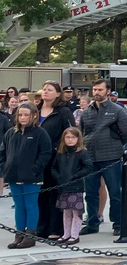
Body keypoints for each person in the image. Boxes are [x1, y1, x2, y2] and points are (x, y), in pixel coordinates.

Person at [79, 78, 127, 235]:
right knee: (90, 193)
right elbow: (82, 132)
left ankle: (118, 223)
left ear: (108, 91)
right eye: (95, 89)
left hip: (111, 157)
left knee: (115, 192)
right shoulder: (87, 112)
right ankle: (92, 223)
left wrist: (116, 143)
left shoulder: (117, 110)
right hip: (90, 157)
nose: (97, 92)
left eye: (100, 90)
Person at [1, 103, 53, 248]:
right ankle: (19, 234)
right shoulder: (11, 132)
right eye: (20, 114)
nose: (23, 117)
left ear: (34, 115)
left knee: (30, 205)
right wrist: (5, 167)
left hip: (32, 176)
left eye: (26, 114)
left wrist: (35, 168)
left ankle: (30, 236)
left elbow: (46, 153)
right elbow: (2, 152)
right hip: (13, 175)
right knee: (19, 206)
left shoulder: (40, 133)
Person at [36, 81, 76, 240]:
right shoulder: (35, 110)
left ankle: (56, 228)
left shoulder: (63, 112)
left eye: (50, 90)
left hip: (55, 158)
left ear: (58, 94)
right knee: (39, 194)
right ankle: (41, 227)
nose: (45, 92)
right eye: (44, 89)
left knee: (55, 194)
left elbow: (71, 134)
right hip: (36, 159)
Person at [52, 127, 93, 244]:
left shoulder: (81, 152)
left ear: (78, 139)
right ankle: (66, 234)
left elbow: (88, 167)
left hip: (76, 186)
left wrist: (76, 176)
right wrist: (58, 177)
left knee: (76, 211)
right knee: (66, 211)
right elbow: (54, 167)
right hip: (63, 186)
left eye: (73, 137)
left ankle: (75, 235)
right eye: (67, 137)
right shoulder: (61, 153)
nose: (70, 140)